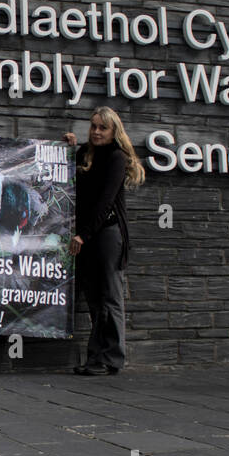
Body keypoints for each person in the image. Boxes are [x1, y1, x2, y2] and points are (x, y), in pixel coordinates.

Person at [64, 107, 145, 375]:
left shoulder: (116, 158)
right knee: (95, 300)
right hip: (87, 236)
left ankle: (111, 358)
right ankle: (96, 358)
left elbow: (105, 202)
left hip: (107, 234)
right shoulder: (86, 153)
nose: (97, 132)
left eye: (103, 127)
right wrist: (70, 149)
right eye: (94, 126)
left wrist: (83, 235)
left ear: (114, 131)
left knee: (110, 297)